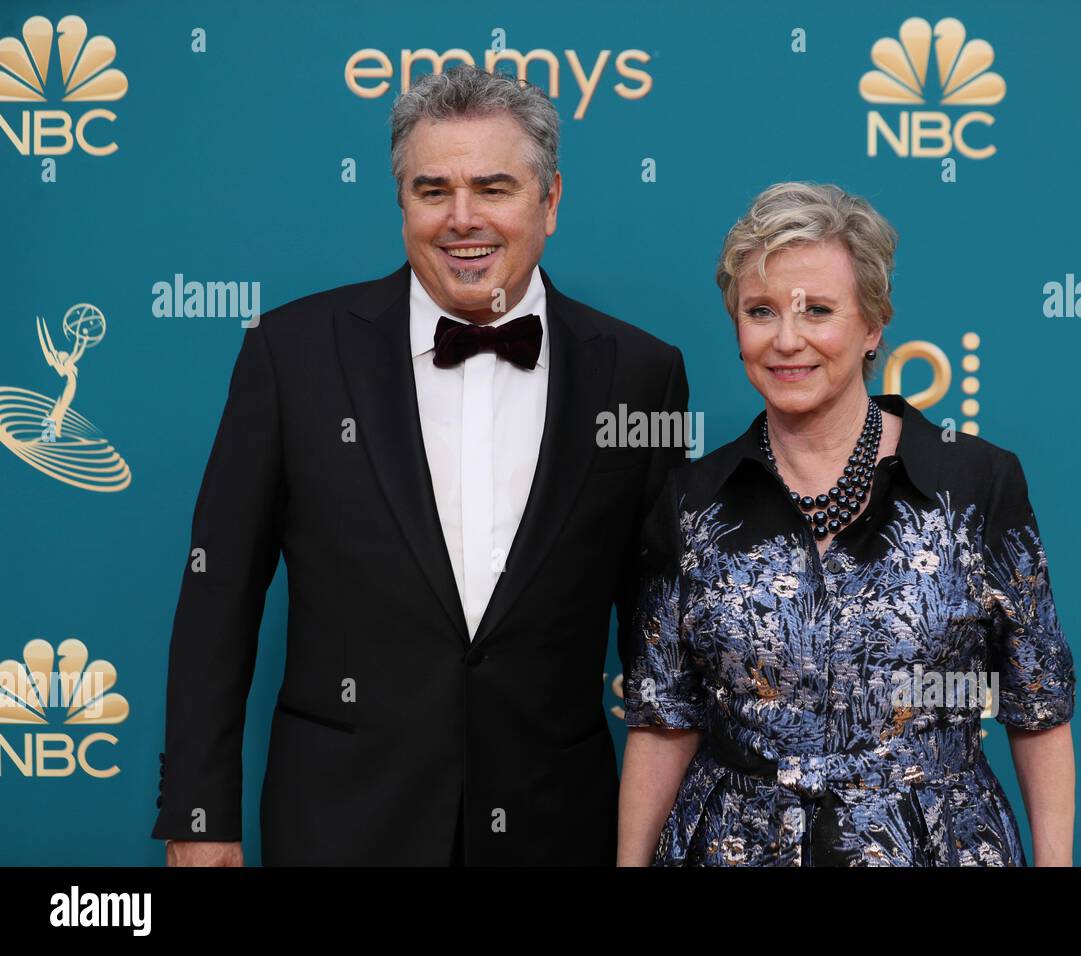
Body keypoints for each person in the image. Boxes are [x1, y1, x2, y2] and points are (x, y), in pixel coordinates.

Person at [152, 65, 689, 866]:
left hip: (555, 826)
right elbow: (216, 596)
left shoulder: (641, 373)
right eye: (433, 189)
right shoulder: (293, 354)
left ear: (549, 202)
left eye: (494, 188)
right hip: (340, 822)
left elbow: (663, 632)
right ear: (401, 202)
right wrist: (198, 817)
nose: (462, 219)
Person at [617, 182, 1075, 866]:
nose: (787, 340)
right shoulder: (690, 503)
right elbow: (663, 720)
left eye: (818, 311)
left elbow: (1036, 707)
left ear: (873, 326)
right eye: (760, 312)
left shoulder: (974, 484)